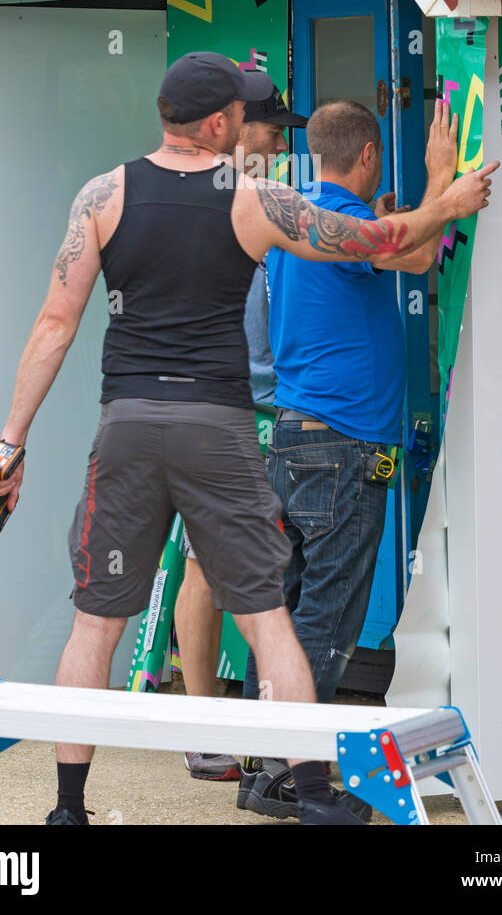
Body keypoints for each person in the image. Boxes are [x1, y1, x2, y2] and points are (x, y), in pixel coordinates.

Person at [0, 52, 496, 826]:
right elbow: (383, 241)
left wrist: (9, 445)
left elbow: (55, 325)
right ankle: (313, 794)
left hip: (124, 425)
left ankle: (67, 810)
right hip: (217, 431)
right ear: (220, 122)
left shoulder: (102, 194)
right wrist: (448, 201)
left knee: (95, 622)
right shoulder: (254, 199)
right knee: (266, 617)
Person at [239, 99, 458, 820]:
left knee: (283, 610)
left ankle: (259, 766)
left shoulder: (297, 221)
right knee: (326, 618)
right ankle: (291, 778)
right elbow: (420, 252)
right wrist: (441, 184)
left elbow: (381, 247)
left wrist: (396, 215)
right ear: (367, 158)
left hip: (296, 442)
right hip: (345, 447)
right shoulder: (349, 231)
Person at [175, 83, 308, 783]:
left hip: (267, 411)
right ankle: (203, 730)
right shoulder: (204, 197)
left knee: (248, 569)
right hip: (222, 414)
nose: (282, 143)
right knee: (205, 570)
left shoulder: (257, 196)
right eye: (272, 130)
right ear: (232, 125)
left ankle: (254, 725)